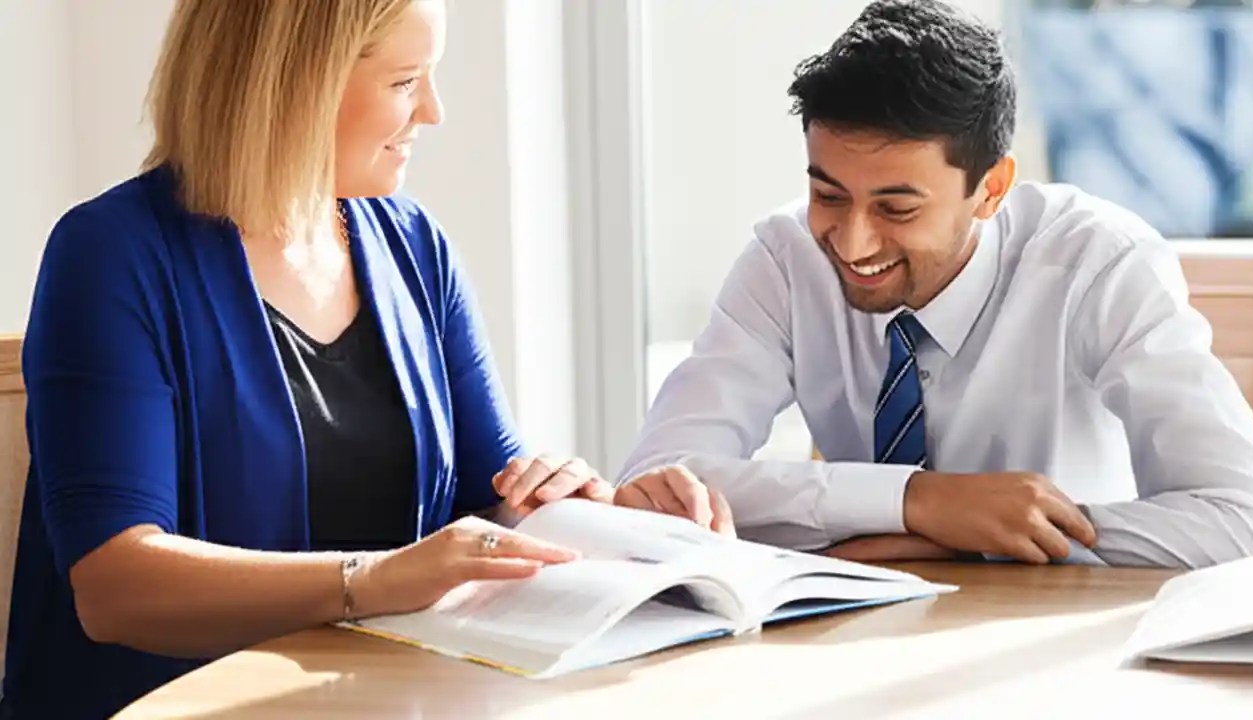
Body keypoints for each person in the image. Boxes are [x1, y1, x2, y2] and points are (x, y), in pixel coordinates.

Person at [0, 1, 729, 717]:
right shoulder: (111, 255)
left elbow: (491, 491)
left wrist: (598, 512)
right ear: (295, 82)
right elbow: (114, 586)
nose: (433, 112)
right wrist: (372, 580)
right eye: (406, 81)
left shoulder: (414, 246)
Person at [620, 0, 1253, 570]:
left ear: (990, 189)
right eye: (828, 194)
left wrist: (981, 537)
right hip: (857, 634)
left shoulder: (1099, 264)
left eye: (896, 209)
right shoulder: (785, 257)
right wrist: (917, 504)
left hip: (1065, 638)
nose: (852, 242)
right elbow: (655, 487)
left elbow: (1251, 526)